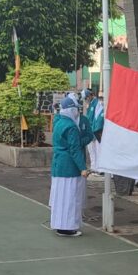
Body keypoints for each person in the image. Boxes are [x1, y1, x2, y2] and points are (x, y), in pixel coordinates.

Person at [49, 97, 88, 237]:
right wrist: (83, 167)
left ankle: (60, 225)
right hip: (70, 168)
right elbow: (74, 149)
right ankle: (68, 227)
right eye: (76, 109)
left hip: (58, 165)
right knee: (71, 197)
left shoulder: (58, 122)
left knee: (60, 198)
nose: (77, 112)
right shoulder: (71, 127)